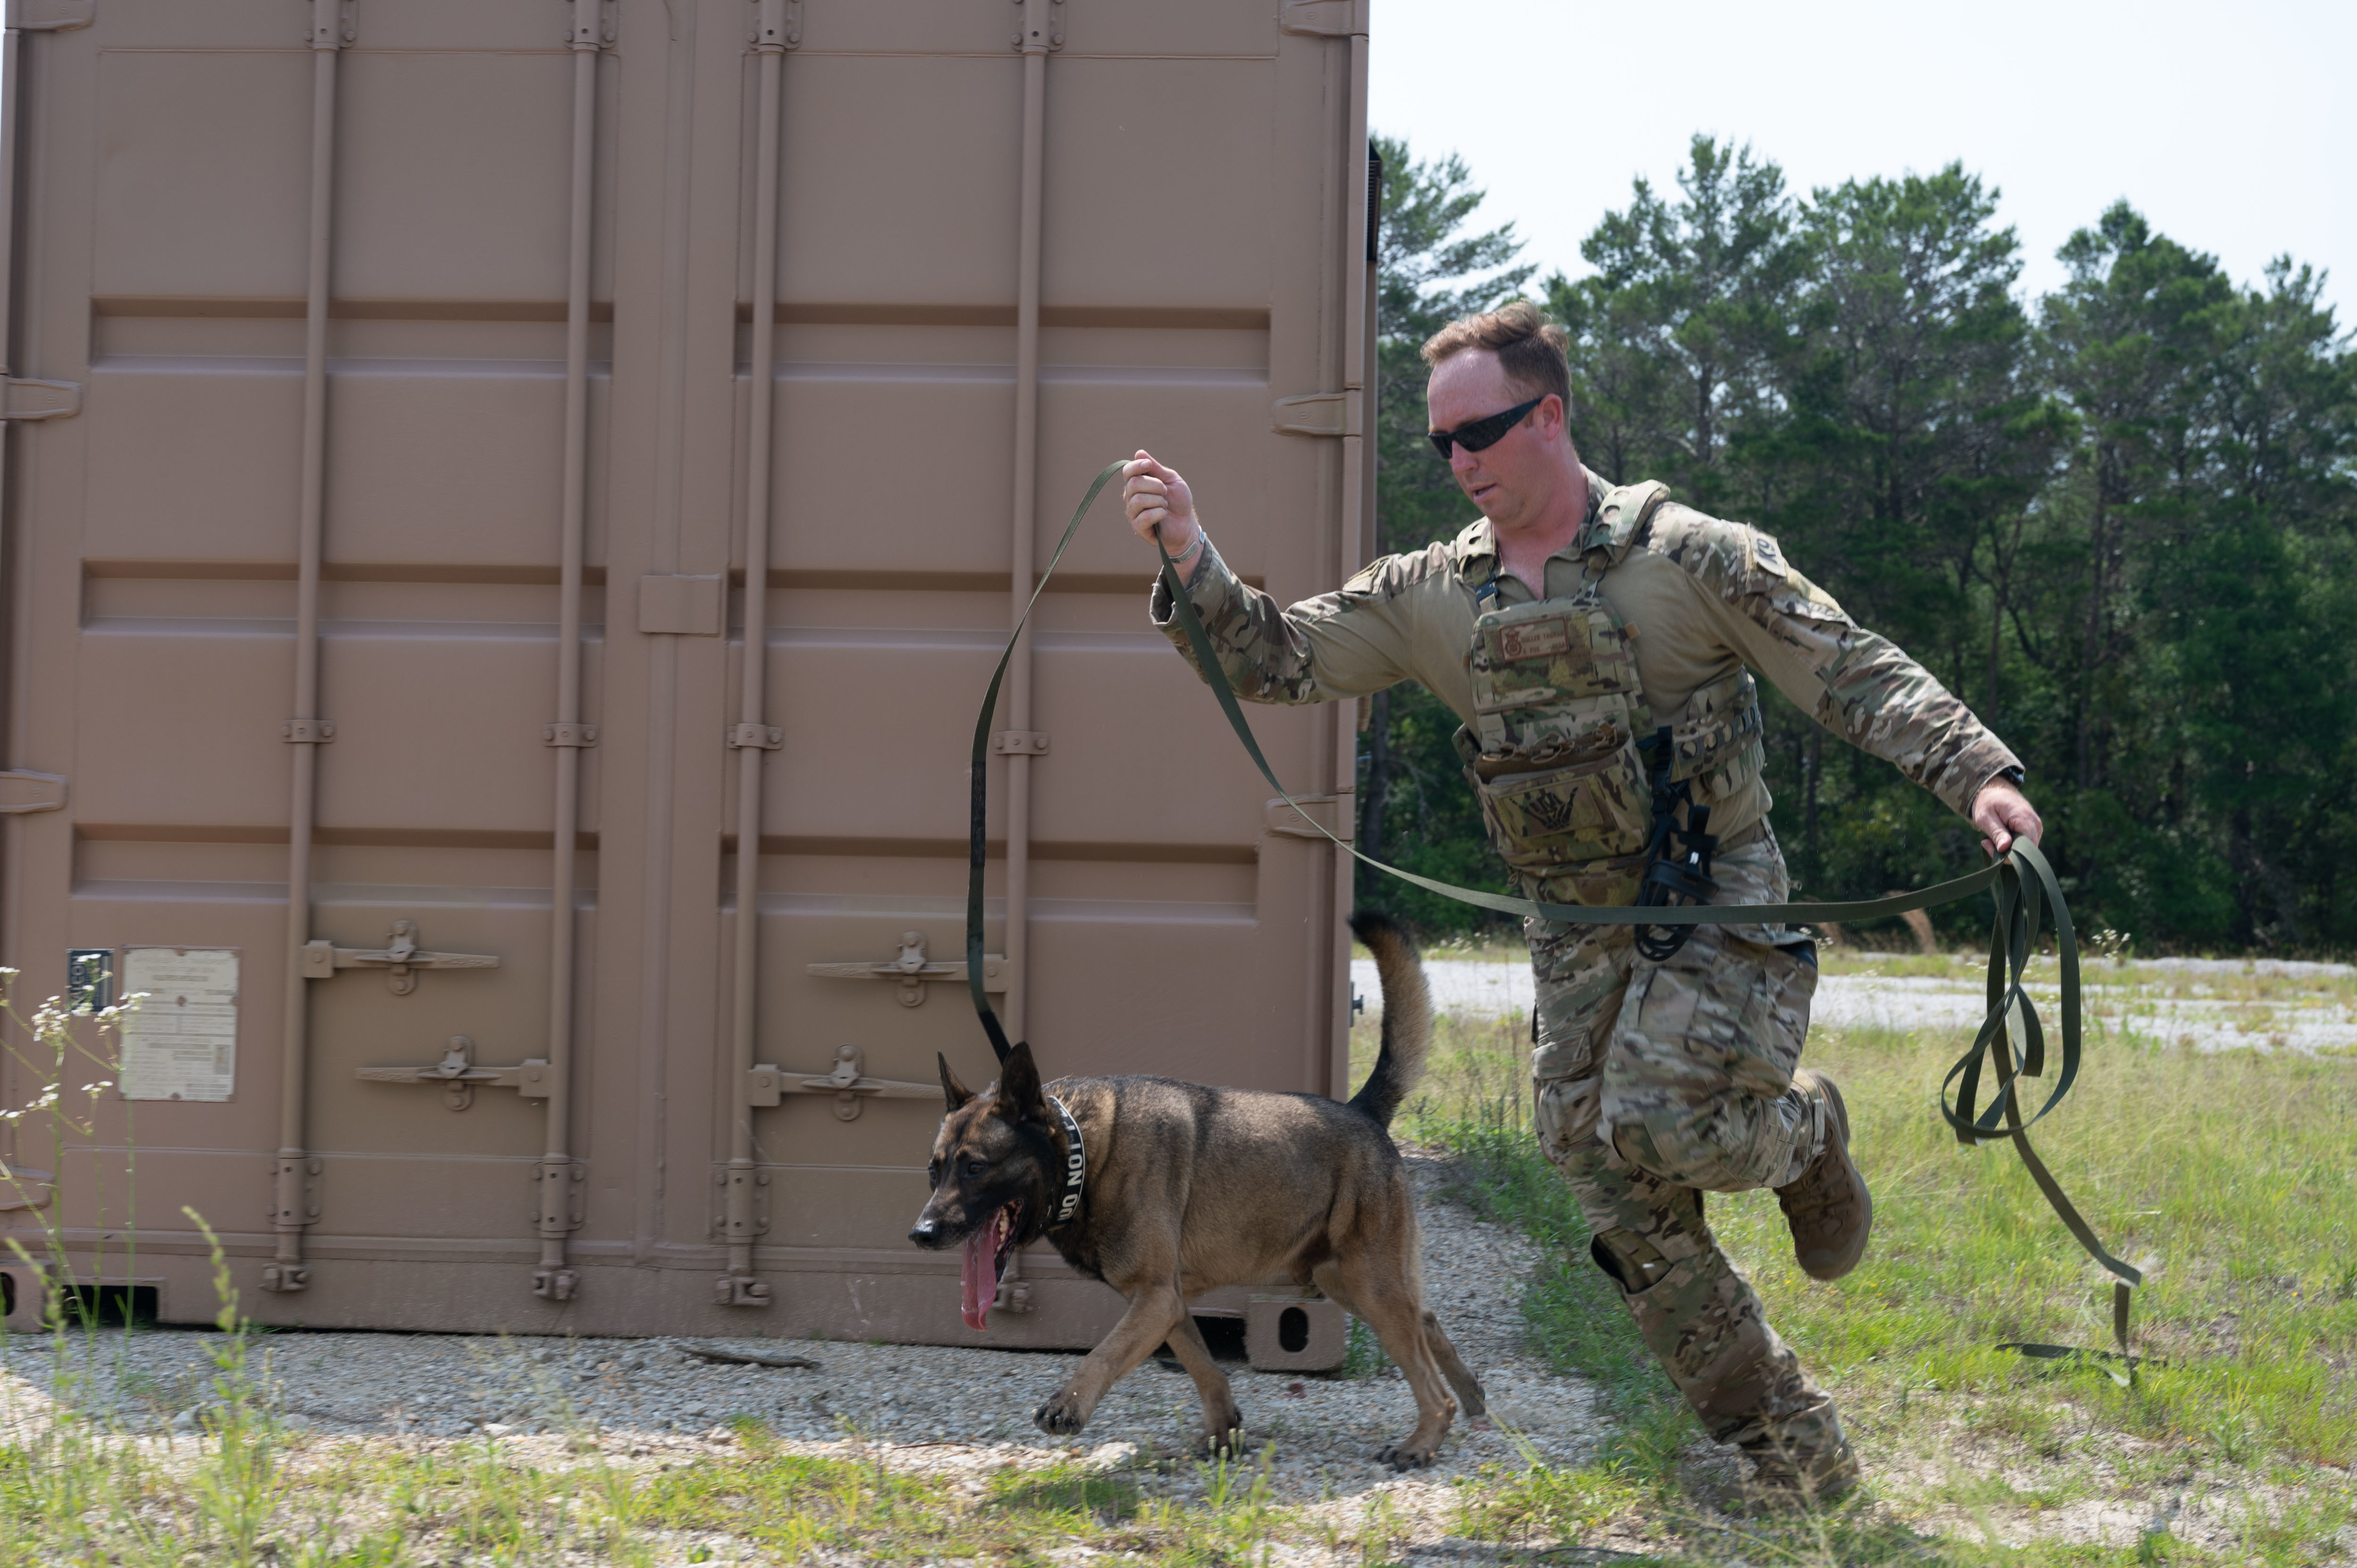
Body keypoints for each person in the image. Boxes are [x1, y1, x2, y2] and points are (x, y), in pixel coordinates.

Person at [1120, 300, 2040, 1504]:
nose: (1457, 462)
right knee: (1608, 1183)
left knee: (1659, 1120)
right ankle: (1796, 1464)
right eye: (1438, 443)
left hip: (1719, 904)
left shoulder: (1691, 557)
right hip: (1576, 932)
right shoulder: (1431, 592)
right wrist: (1189, 553)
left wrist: (1977, 774)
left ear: (1548, 415)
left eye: (1480, 433)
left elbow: (1848, 664)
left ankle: (1806, 1131)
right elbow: (1277, 660)